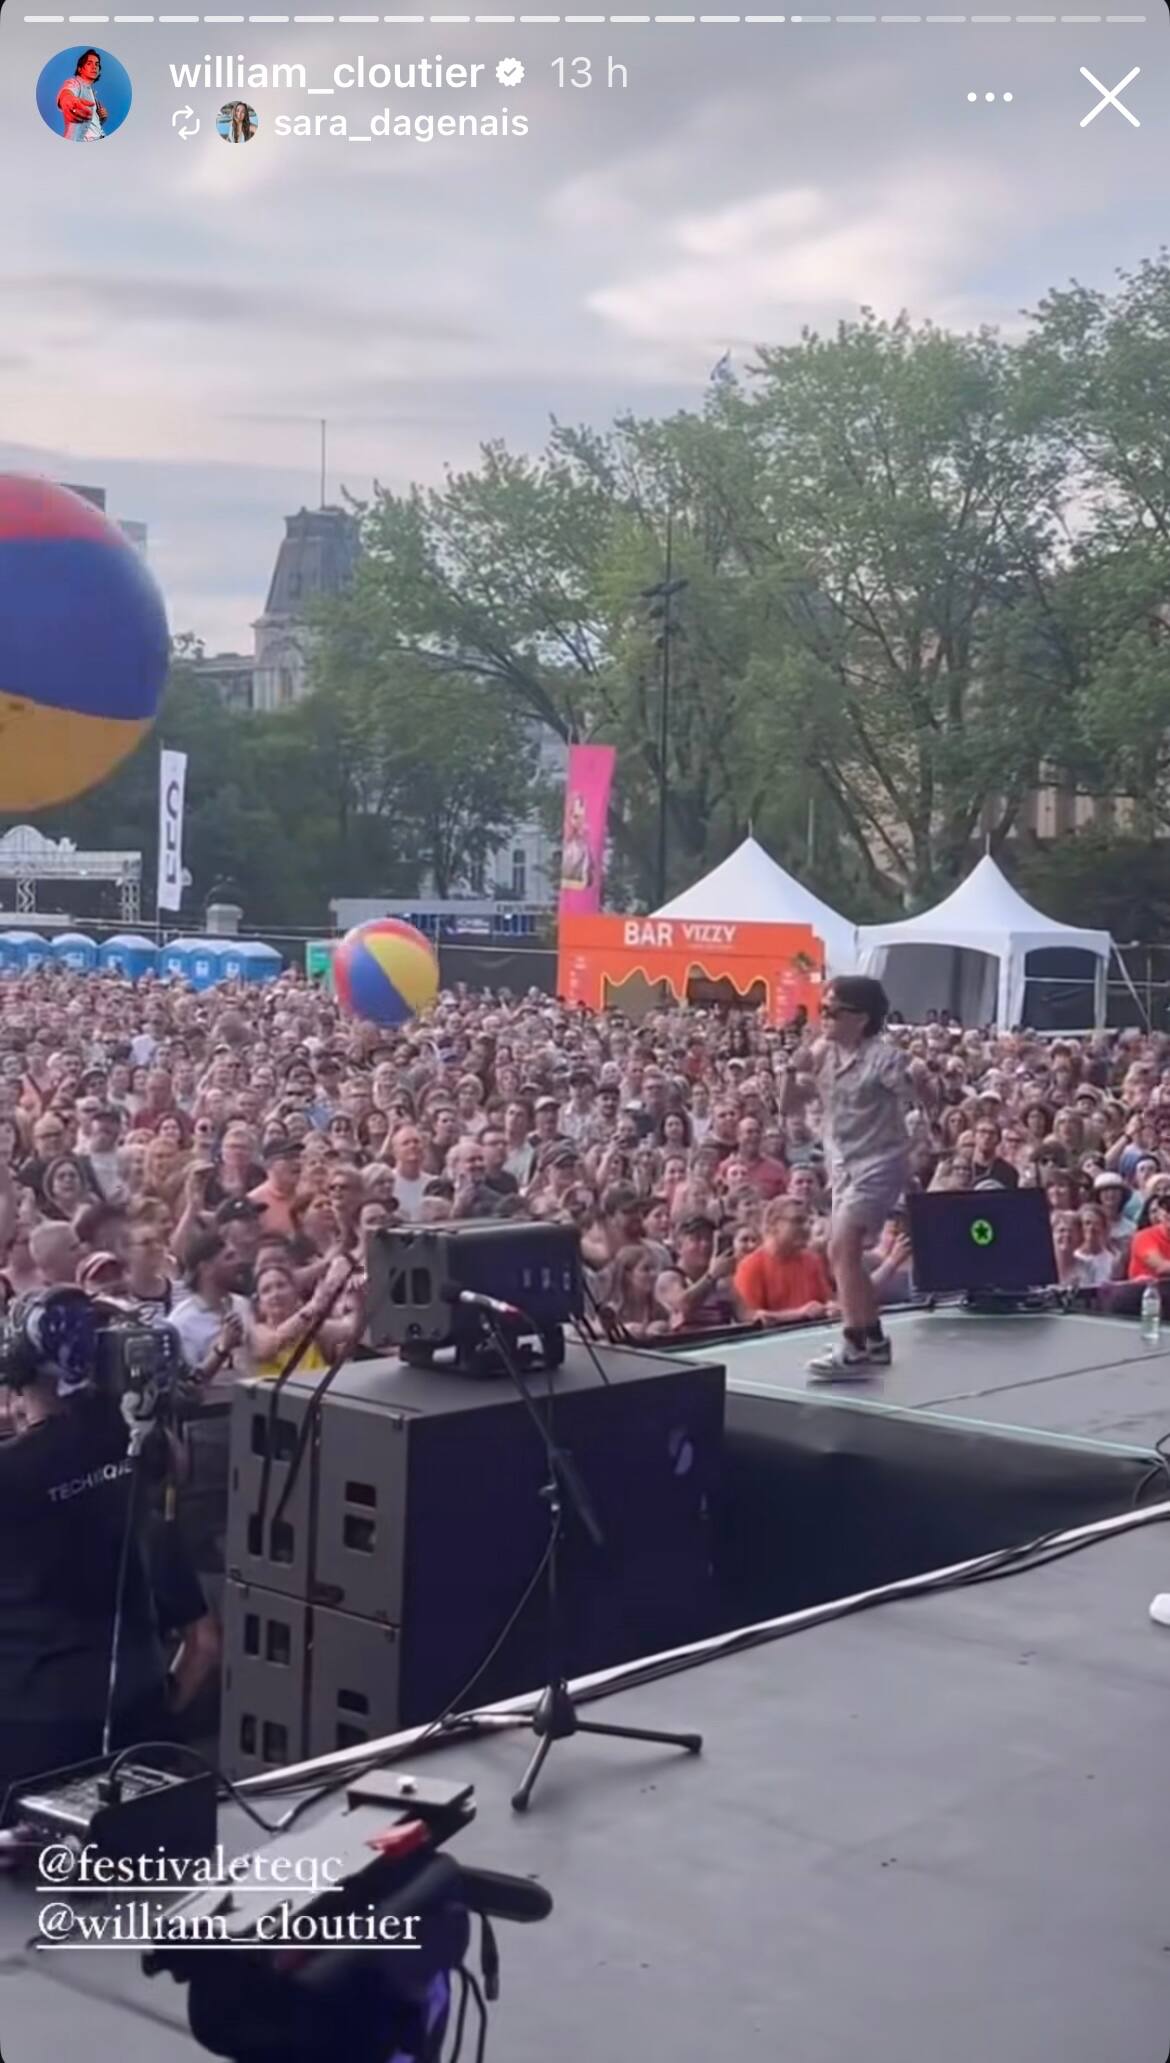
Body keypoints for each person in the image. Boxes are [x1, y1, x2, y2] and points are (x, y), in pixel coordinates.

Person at [781, 976, 911, 1379]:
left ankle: (853, 1343)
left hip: (880, 1161)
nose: (825, 1018)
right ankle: (872, 1337)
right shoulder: (821, 1052)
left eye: (834, 1011)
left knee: (841, 1246)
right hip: (842, 1165)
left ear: (861, 1017)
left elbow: (916, 1096)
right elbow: (789, 1106)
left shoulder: (884, 1059)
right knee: (845, 1252)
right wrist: (790, 1070)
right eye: (823, 1010)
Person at [733, 1198, 835, 1326]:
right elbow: (750, 1318)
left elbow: (827, 1301)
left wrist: (832, 1309)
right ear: (773, 1224)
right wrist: (798, 1314)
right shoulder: (751, 1266)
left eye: (808, 1222)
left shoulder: (812, 1261)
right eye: (798, 1221)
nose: (806, 1228)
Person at [57, 47, 107, 141]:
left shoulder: (92, 94)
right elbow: (67, 92)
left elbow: (90, 124)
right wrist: (67, 99)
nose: (94, 67)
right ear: (80, 69)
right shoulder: (75, 83)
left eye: (97, 64)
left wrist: (100, 119)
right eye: (89, 63)